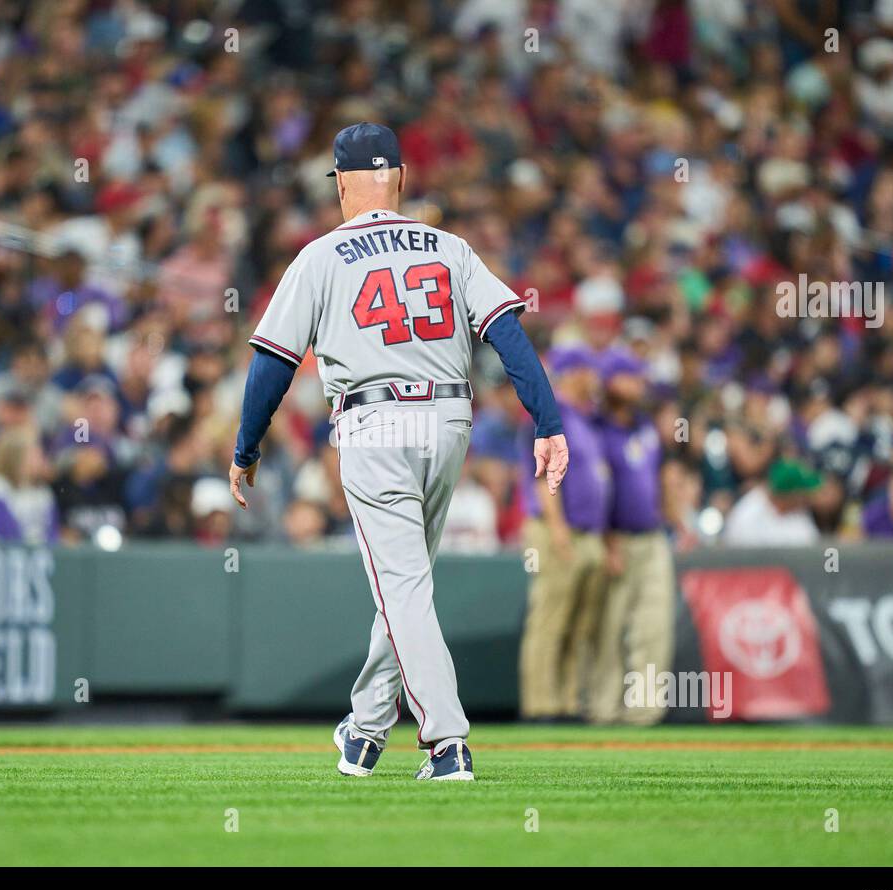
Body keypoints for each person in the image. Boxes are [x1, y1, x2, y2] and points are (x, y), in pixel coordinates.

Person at [228, 123, 567, 781]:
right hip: (448, 419)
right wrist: (547, 421)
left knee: (403, 585)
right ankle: (364, 730)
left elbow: (273, 362)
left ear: (344, 183)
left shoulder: (322, 255)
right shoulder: (449, 247)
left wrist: (247, 446)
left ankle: (447, 744)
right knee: (405, 582)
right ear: (402, 180)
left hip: (376, 422)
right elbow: (507, 333)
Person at [518, 346, 609, 721]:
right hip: (557, 528)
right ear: (572, 373)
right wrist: (558, 530)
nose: (595, 377)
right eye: (588, 369)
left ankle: (570, 701)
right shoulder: (549, 415)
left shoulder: (585, 419)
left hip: (587, 533)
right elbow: (543, 478)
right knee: (551, 619)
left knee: (580, 625)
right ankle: (541, 705)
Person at [589, 346, 674, 725]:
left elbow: (656, 478)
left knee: (653, 628)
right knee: (608, 630)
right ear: (610, 382)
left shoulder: (643, 425)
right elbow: (595, 491)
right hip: (616, 539)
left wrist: (676, 519)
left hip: (652, 537)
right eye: (631, 377)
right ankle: (602, 710)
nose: (639, 384)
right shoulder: (596, 430)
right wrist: (606, 541)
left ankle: (643, 714)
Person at [0, 427, 57, 546]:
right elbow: (8, 538)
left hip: (35, 557)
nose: (41, 459)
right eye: (35, 454)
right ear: (17, 456)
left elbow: (53, 536)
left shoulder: (42, 490)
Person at [722, 458, 824, 546]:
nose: (806, 498)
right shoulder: (748, 514)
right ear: (790, 495)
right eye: (801, 494)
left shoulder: (799, 514)